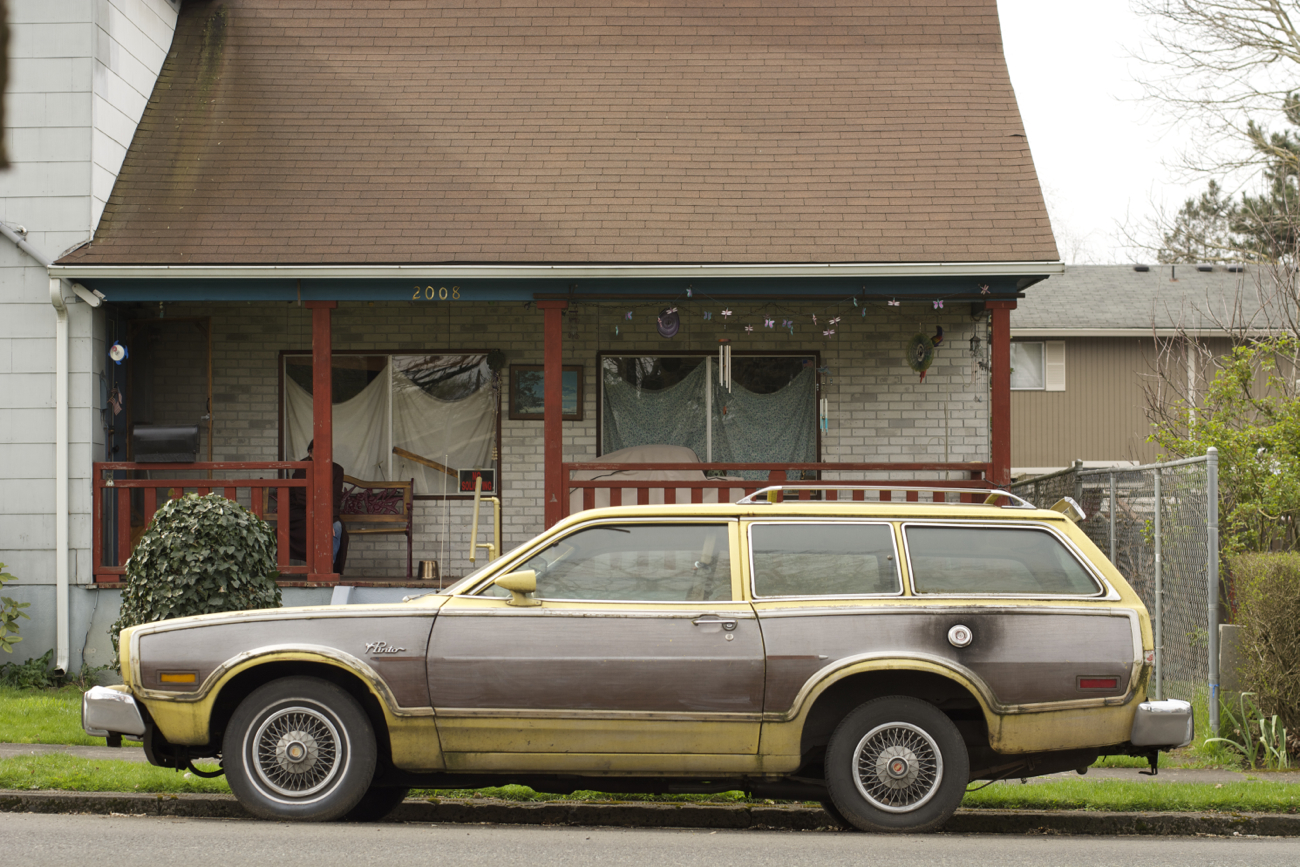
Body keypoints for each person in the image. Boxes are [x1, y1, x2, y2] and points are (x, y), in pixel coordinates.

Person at [287, 439, 349, 573]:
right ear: (310, 453)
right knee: (311, 529)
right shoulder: (301, 468)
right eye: (318, 452)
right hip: (302, 512)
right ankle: (319, 566)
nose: (323, 456)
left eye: (326, 452)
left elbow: (335, 498)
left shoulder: (337, 470)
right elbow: (303, 498)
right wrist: (321, 519)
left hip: (327, 513)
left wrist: (329, 519)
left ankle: (326, 568)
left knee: (337, 527)